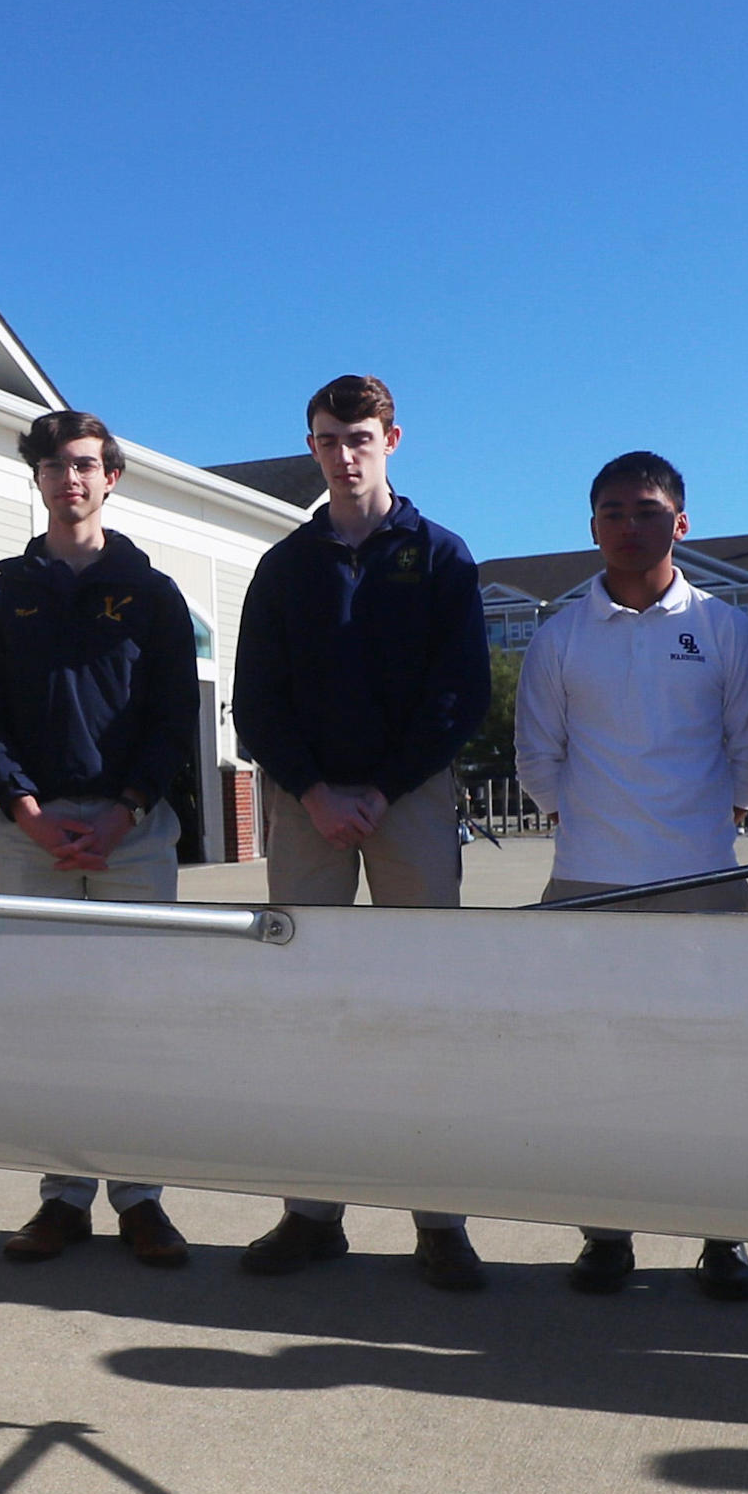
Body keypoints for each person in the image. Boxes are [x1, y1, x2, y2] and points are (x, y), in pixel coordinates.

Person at [230, 374, 496, 1290]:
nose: (345, 455)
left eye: (361, 438)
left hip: (408, 801)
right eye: (329, 439)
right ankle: (312, 1213)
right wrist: (311, 792)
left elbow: (461, 691)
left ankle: (440, 1220)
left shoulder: (442, 555)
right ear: (312, 447)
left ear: (393, 440)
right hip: (306, 808)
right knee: (310, 1011)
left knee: (425, 1010)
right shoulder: (284, 566)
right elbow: (257, 701)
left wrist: (382, 789)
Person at [513, 451, 748, 1299]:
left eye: (648, 511)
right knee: (597, 1075)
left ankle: (724, 1236)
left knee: (715, 1072)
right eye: (613, 513)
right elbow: (537, 762)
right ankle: (606, 1234)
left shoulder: (726, 630)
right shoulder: (559, 636)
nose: (631, 527)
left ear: (682, 522)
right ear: (593, 526)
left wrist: (702, 821)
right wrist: (596, 824)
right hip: (589, 882)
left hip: (704, 878)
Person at [0, 408, 204, 1269]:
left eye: (87, 464)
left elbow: (176, 715)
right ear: (37, 478)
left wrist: (125, 809)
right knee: (46, 1022)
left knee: (135, 1020)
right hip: (32, 835)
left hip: (129, 833)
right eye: (56, 465)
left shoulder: (153, 595)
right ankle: (61, 1201)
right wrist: (24, 807)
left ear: (111, 478)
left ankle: (140, 1199)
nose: (71, 478)